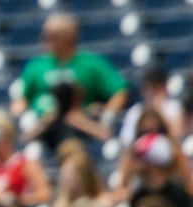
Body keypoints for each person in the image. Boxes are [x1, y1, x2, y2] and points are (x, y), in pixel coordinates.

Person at [14, 13, 129, 146]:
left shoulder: (92, 63)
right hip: (43, 125)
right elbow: (19, 100)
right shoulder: (36, 66)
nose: (44, 39)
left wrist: (108, 114)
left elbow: (120, 92)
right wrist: (25, 115)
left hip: (79, 124)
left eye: (51, 36)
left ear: (69, 37)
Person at [120, 66, 184, 148]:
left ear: (163, 88)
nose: (149, 92)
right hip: (140, 155)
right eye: (146, 88)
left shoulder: (174, 107)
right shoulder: (135, 111)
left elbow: (177, 138)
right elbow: (126, 143)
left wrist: (158, 110)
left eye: (154, 88)